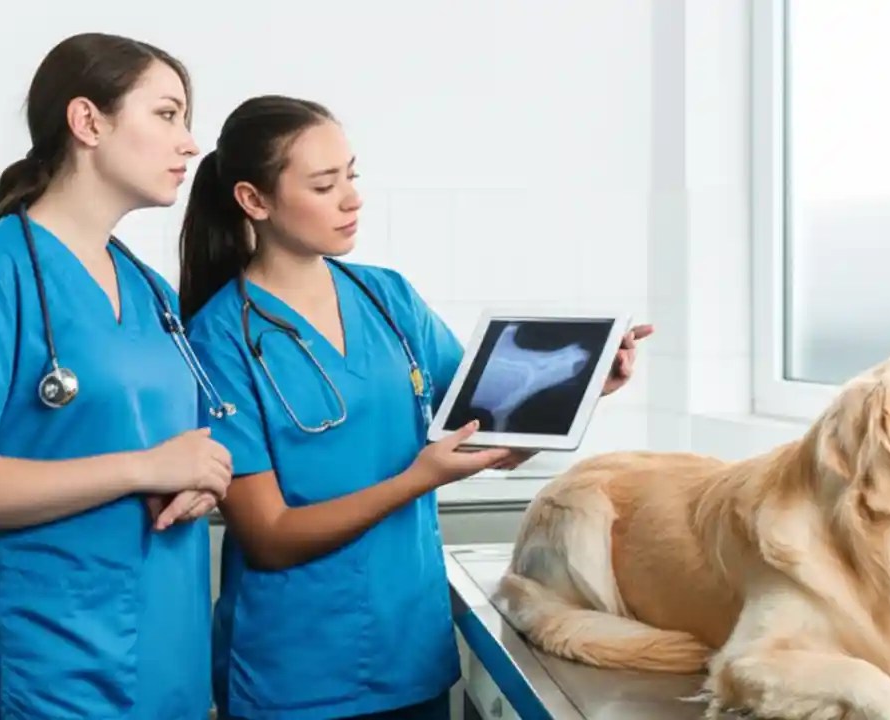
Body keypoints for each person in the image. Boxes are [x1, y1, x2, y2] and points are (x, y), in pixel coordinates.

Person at [179, 94, 653, 720]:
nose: (351, 198)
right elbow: (268, 537)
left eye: (351, 175)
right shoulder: (220, 340)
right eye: (324, 185)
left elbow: (488, 438)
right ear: (253, 200)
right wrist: (418, 479)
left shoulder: (389, 298)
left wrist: (585, 388)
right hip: (296, 670)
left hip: (410, 650)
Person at [0, 32, 235, 718]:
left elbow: (185, 454)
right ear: (88, 121)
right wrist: (143, 468)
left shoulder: (152, 294)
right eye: (167, 114)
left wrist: (203, 481)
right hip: (47, 673)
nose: (189, 143)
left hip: (165, 666)